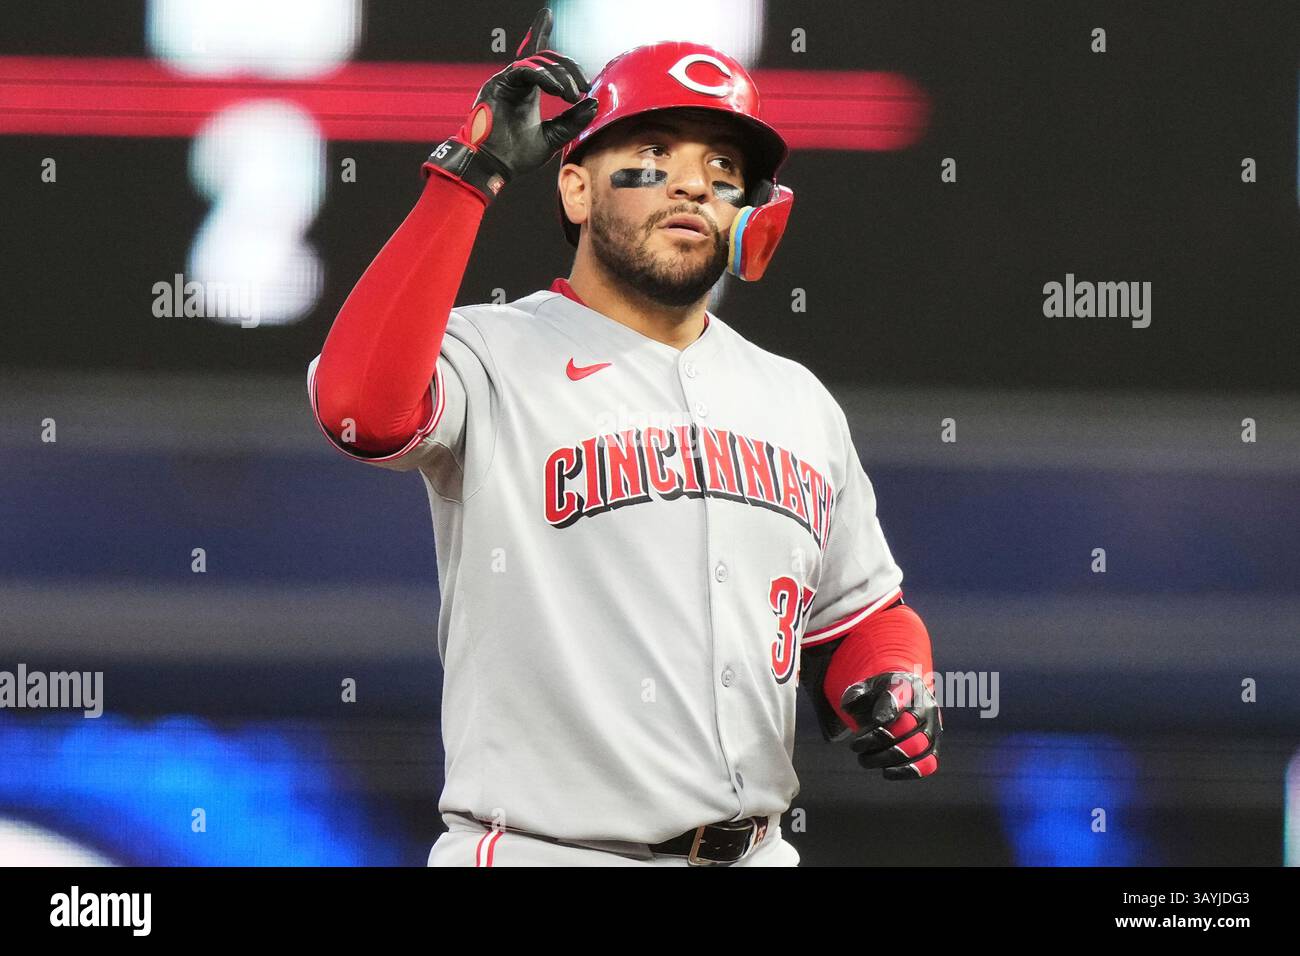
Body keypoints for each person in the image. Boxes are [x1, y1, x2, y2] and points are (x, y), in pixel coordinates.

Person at [307, 8, 941, 867]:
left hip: (759, 853)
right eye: (653, 156)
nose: (691, 184)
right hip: (548, 852)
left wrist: (894, 677)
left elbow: (857, 618)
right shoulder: (490, 352)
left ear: (751, 214)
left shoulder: (798, 402)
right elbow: (359, 409)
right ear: (575, 186)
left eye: (723, 169)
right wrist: (473, 171)